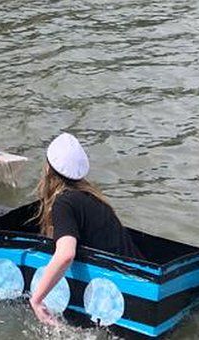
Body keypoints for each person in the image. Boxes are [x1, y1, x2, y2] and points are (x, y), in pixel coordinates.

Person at [28, 133, 142, 326]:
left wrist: (37, 299)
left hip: (122, 294)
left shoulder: (63, 202)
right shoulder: (93, 198)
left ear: (48, 169)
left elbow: (66, 254)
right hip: (138, 281)